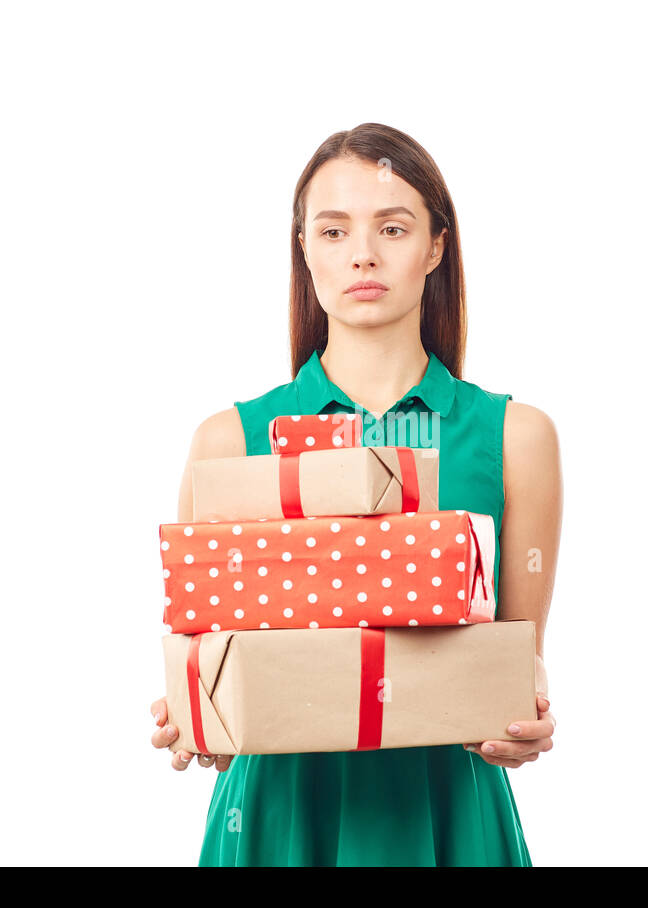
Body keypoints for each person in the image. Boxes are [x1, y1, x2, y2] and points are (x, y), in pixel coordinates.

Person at [149, 123, 562, 865]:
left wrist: (523, 723)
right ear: (303, 248)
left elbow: (518, 669)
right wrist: (194, 720)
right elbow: (200, 665)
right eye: (333, 230)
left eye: (393, 228)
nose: (362, 253)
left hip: (448, 816)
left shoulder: (515, 438)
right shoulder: (229, 439)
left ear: (436, 246)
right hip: (279, 818)